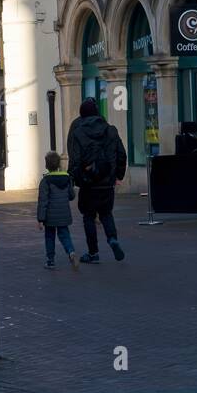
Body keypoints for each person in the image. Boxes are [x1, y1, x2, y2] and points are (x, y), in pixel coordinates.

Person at [67, 97, 127, 265]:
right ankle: (112, 239)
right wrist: (118, 175)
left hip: (88, 183)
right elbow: (121, 154)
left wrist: (73, 177)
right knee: (106, 213)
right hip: (107, 182)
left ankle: (93, 253)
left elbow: (75, 159)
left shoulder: (78, 132)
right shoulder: (111, 130)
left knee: (88, 216)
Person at [36, 150, 79, 272]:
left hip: (50, 216)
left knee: (50, 237)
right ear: (59, 164)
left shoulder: (45, 181)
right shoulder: (66, 178)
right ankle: (71, 252)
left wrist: (40, 219)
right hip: (64, 214)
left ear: (46, 165)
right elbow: (71, 196)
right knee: (65, 235)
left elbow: (43, 201)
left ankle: (50, 261)